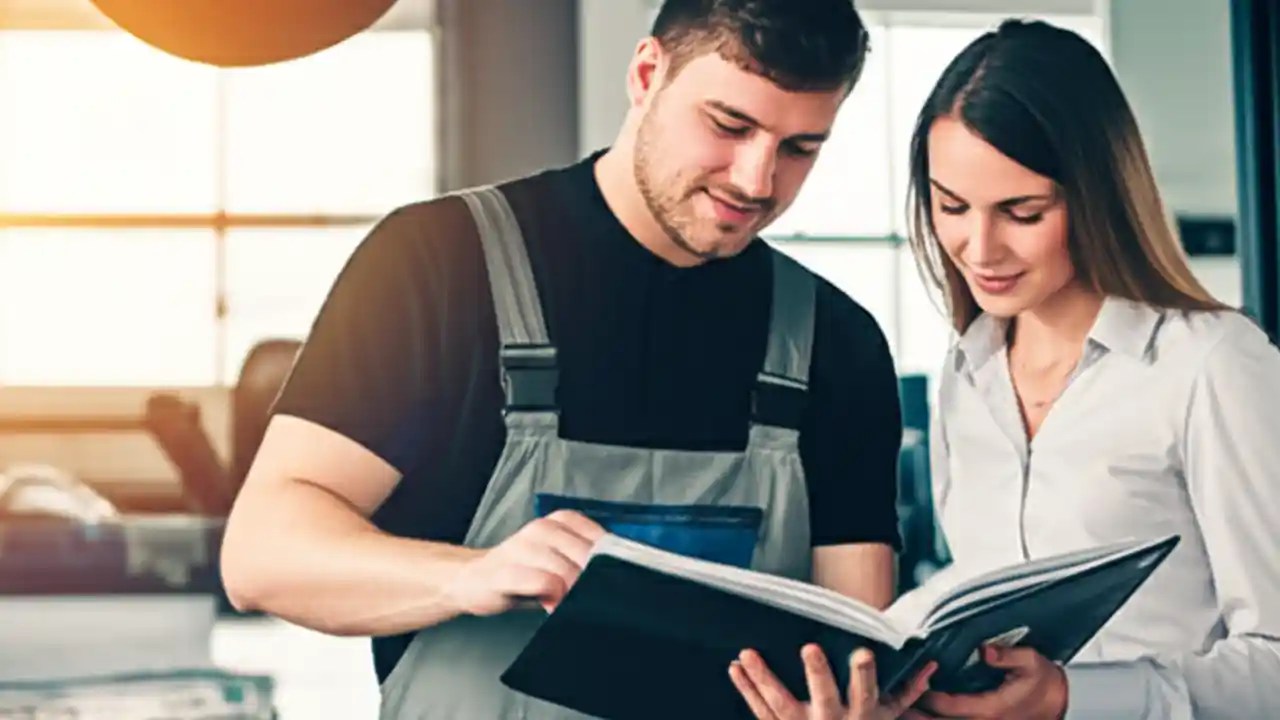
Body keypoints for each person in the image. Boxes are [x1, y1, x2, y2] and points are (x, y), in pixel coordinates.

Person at [220, 1, 920, 717]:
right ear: (648, 73)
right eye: (729, 126)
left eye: (800, 148)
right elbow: (262, 555)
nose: (756, 180)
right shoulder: (437, 265)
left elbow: (851, 648)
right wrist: (472, 576)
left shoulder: (837, 343)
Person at [728, 18, 1280, 720]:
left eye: (1022, 211)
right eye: (951, 205)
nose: (978, 247)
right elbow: (985, 594)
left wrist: (1073, 698)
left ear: (1098, 196)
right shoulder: (969, 369)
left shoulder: (1211, 364)